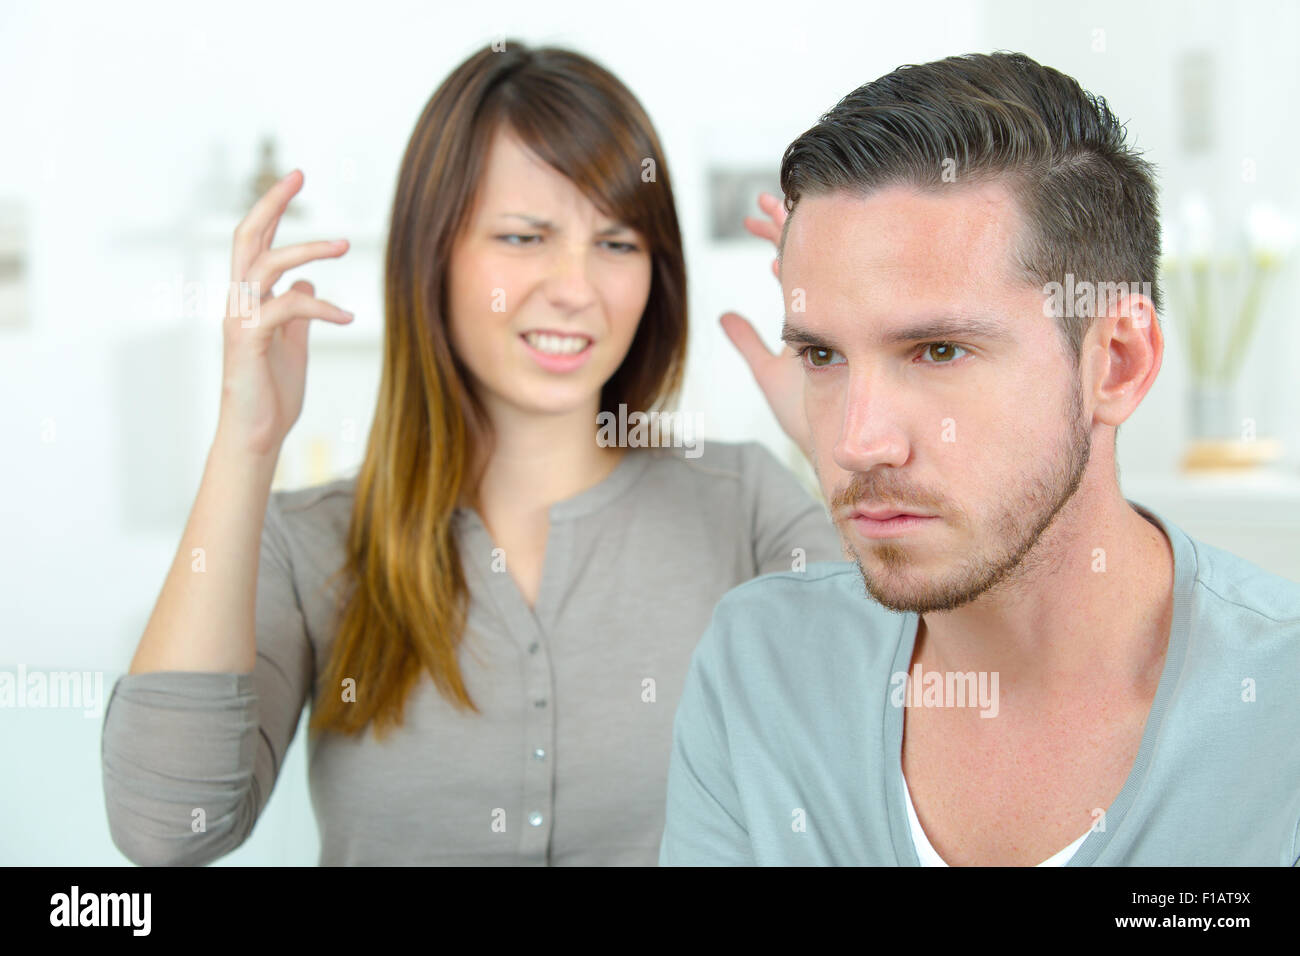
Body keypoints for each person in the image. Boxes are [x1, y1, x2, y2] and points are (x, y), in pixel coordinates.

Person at [101, 40, 842, 866]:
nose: (576, 287)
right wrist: (244, 442)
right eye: (526, 237)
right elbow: (170, 831)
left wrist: (842, 444)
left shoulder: (741, 500)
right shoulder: (309, 540)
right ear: (434, 255)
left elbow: (893, 740)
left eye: (618, 243)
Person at [660, 51, 1300, 866]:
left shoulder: (1280, 712)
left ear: (1118, 362)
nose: (858, 442)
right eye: (823, 356)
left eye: (936, 351)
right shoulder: (761, 666)